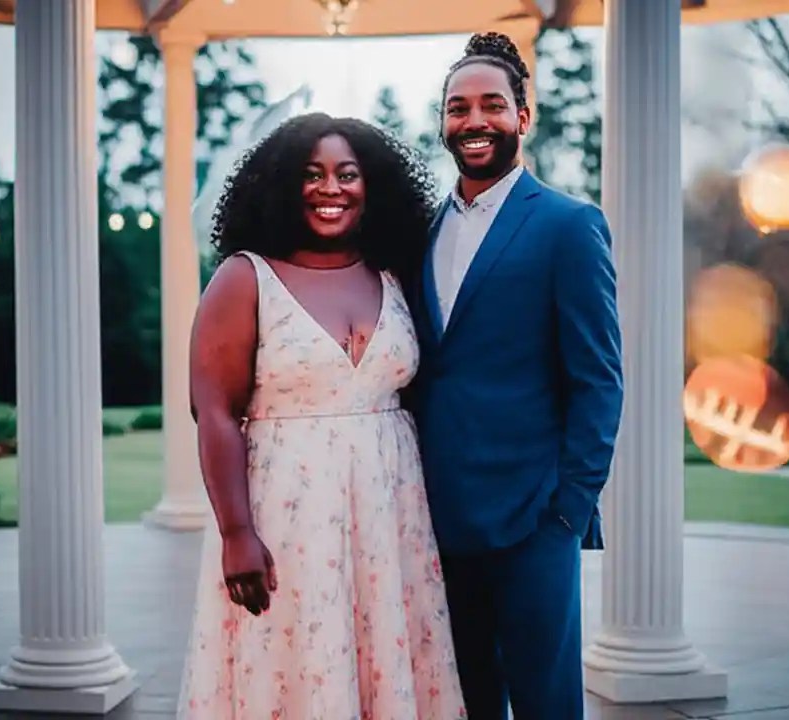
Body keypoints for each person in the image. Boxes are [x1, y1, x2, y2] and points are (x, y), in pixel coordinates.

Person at [176, 112, 467, 719]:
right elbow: (215, 411)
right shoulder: (245, 277)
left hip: (391, 522)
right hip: (287, 520)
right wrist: (236, 533)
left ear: (371, 185)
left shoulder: (392, 273)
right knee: (298, 665)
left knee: (386, 665)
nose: (330, 188)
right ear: (283, 185)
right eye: (312, 174)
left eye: (347, 174)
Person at [411, 32, 624, 719]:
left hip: (534, 520)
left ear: (522, 117)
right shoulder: (418, 234)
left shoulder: (569, 226)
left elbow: (599, 378)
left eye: (492, 105)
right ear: (443, 121)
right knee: (464, 702)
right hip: (438, 519)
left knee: (546, 705)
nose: (474, 120)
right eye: (458, 107)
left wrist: (568, 510)